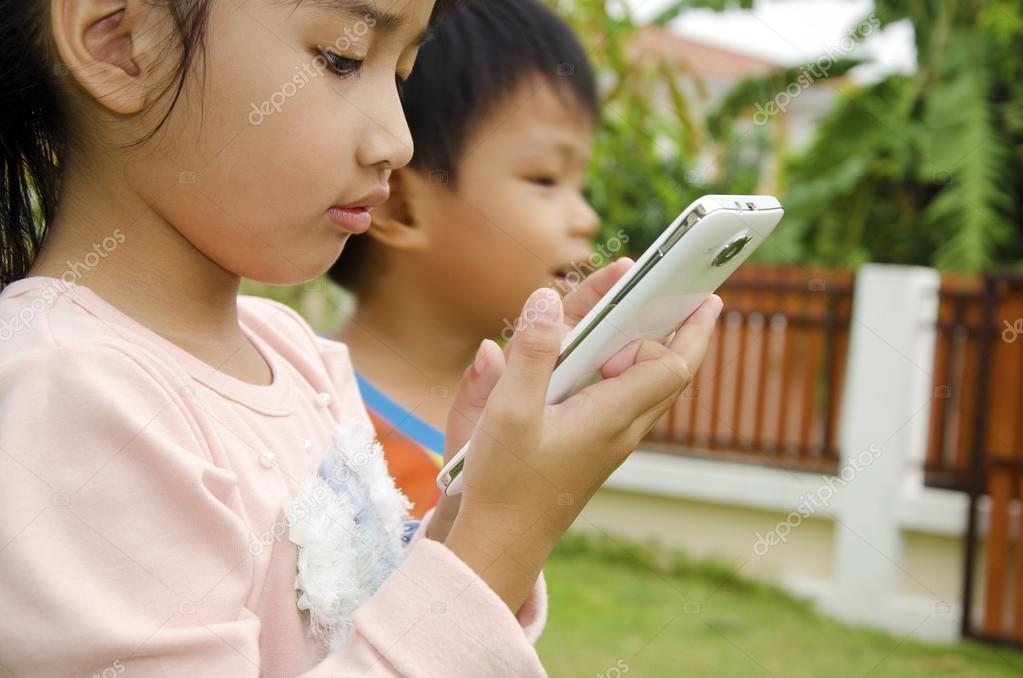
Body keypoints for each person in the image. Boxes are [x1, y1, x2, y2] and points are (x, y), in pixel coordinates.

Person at [0, 0, 722, 675]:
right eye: (343, 60)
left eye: (400, 72)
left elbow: (354, 634)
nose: (397, 141)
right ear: (120, 43)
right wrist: (496, 547)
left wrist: (474, 509)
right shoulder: (64, 396)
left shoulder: (293, 353)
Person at [328, 0, 618, 518]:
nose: (587, 219)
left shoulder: (519, 428)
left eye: (583, 184)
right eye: (546, 179)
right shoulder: (312, 421)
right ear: (400, 207)